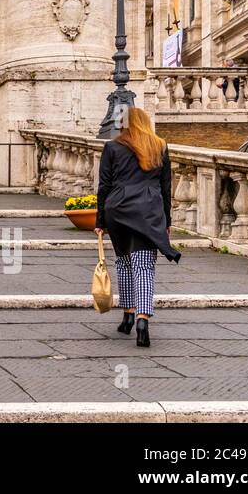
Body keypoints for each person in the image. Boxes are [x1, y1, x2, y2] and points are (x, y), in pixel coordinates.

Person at [95, 106, 181, 347]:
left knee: (123, 262)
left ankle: (128, 315)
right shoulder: (160, 146)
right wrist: (167, 221)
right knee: (143, 264)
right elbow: (166, 188)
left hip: (119, 207)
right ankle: (143, 319)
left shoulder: (112, 147)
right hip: (149, 208)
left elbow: (104, 185)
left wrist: (100, 221)